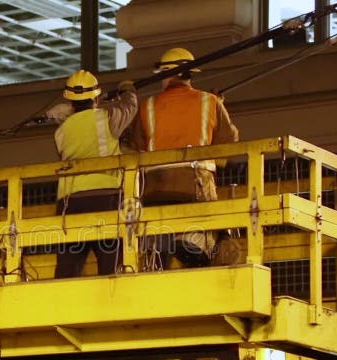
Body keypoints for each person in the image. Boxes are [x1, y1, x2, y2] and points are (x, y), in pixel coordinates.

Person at [133, 47, 240, 270]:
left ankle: (158, 266)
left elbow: (136, 147)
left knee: (158, 247)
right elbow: (227, 144)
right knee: (205, 238)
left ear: (167, 75)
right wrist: (219, 106)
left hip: (155, 190)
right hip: (195, 188)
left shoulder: (147, 106)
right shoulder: (209, 102)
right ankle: (193, 250)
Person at [50, 69, 138, 278]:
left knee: (68, 267)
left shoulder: (60, 132)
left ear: (70, 101)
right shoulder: (107, 117)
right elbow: (130, 108)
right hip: (106, 197)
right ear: (97, 98)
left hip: (70, 203)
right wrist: (128, 90)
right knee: (111, 264)